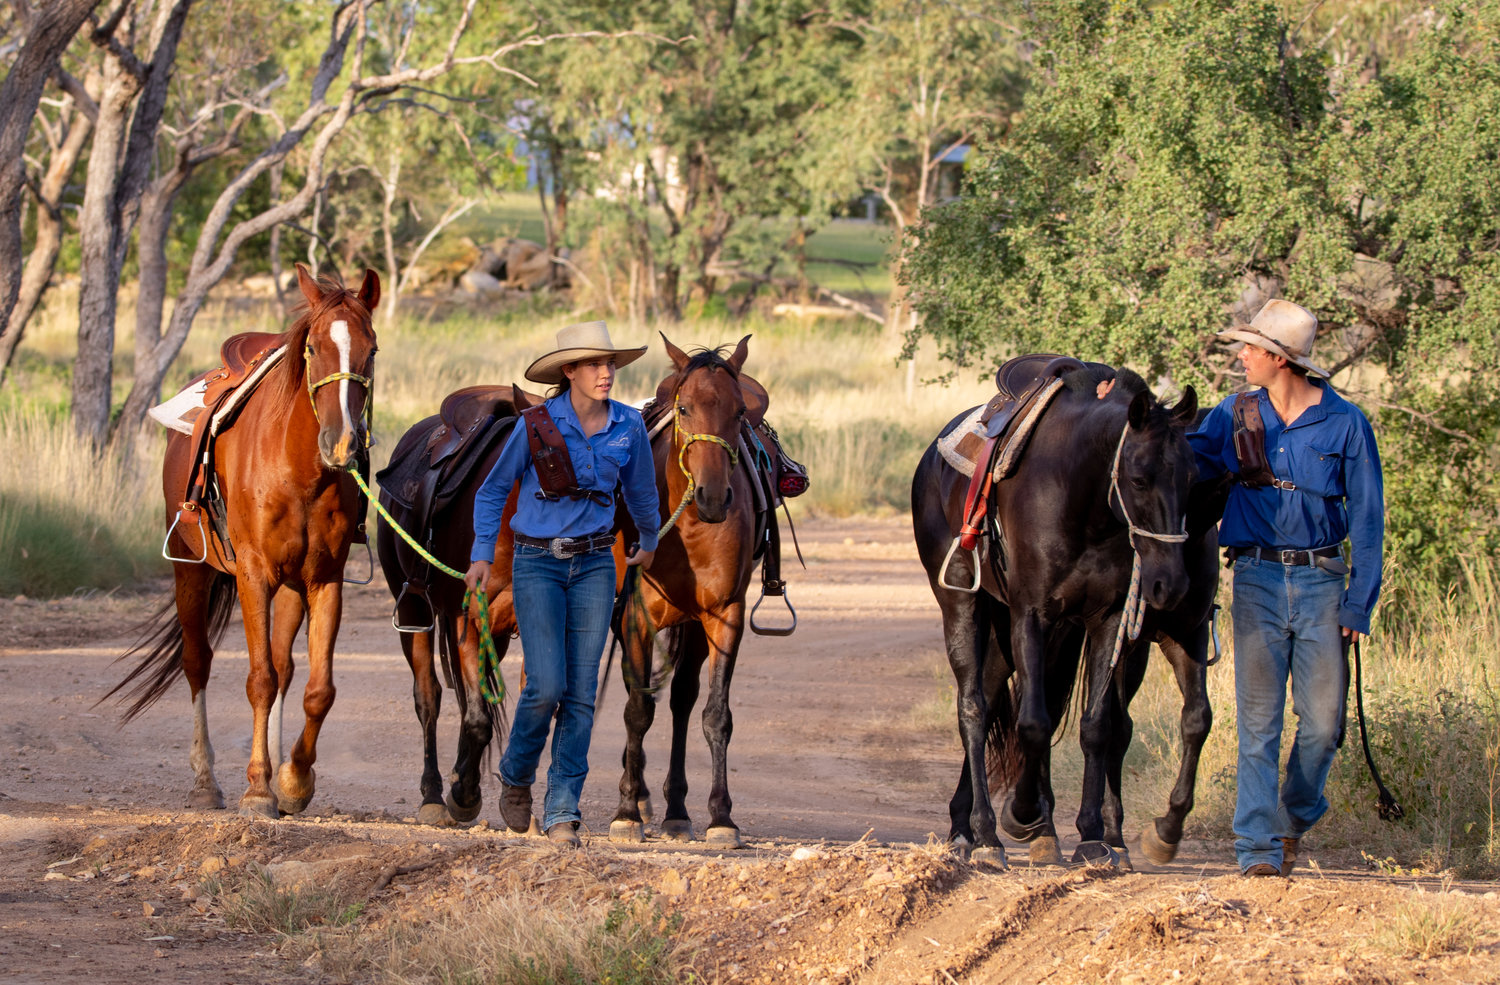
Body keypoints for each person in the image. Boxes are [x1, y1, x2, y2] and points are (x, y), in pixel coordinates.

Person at [1187, 299, 1384, 878]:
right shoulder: (1232, 414)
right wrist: (1127, 417)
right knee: (1258, 725)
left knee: (1324, 726)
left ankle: (1291, 818)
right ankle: (1257, 850)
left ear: (1279, 359)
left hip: (1325, 583)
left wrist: (1359, 601)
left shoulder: (1346, 423)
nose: (1240, 355)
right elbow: (1180, 459)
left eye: (1250, 348)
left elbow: (1369, 520)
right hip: (1255, 579)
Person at [464, 321, 659, 846]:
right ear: (568, 371)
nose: (606, 373)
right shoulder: (533, 426)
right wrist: (484, 553)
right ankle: (517, 769)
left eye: (611, 364)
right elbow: (492, 492)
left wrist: (649, 536)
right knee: (546, 684)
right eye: (594, 365)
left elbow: (640, 491)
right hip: (537, 563)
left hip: (597, 565)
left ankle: (562, 811)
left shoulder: (629, 426)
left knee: (581, 693)